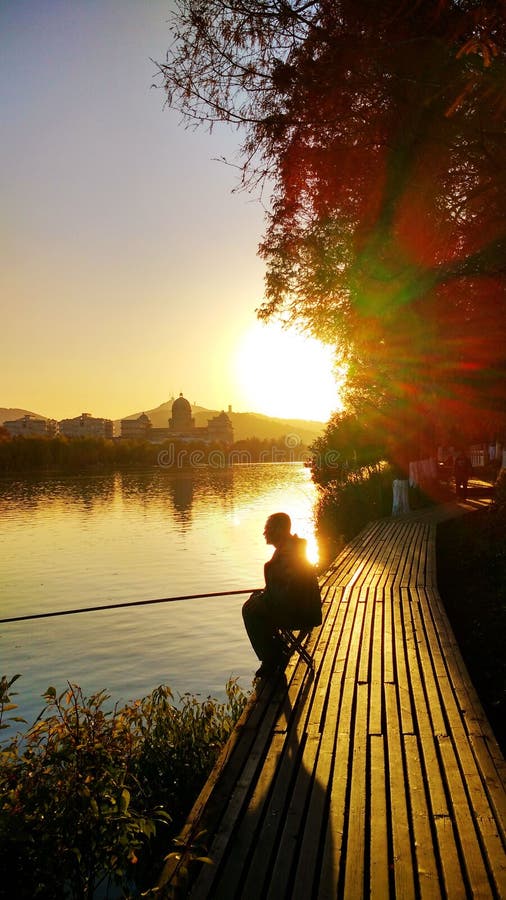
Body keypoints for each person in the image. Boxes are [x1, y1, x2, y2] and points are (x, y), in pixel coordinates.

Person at [242, 512, 322, 678]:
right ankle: (276, 652)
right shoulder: (289, 549)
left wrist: (265, 599)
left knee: (249, 611)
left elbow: (288, 594)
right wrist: (264, 595)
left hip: (300, 614)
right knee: (253, 603)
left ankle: (272, 658)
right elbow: (282, 587)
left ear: (279, 530)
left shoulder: (288, 555)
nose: (265, 532)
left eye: (268, 528)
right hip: (300, 608)